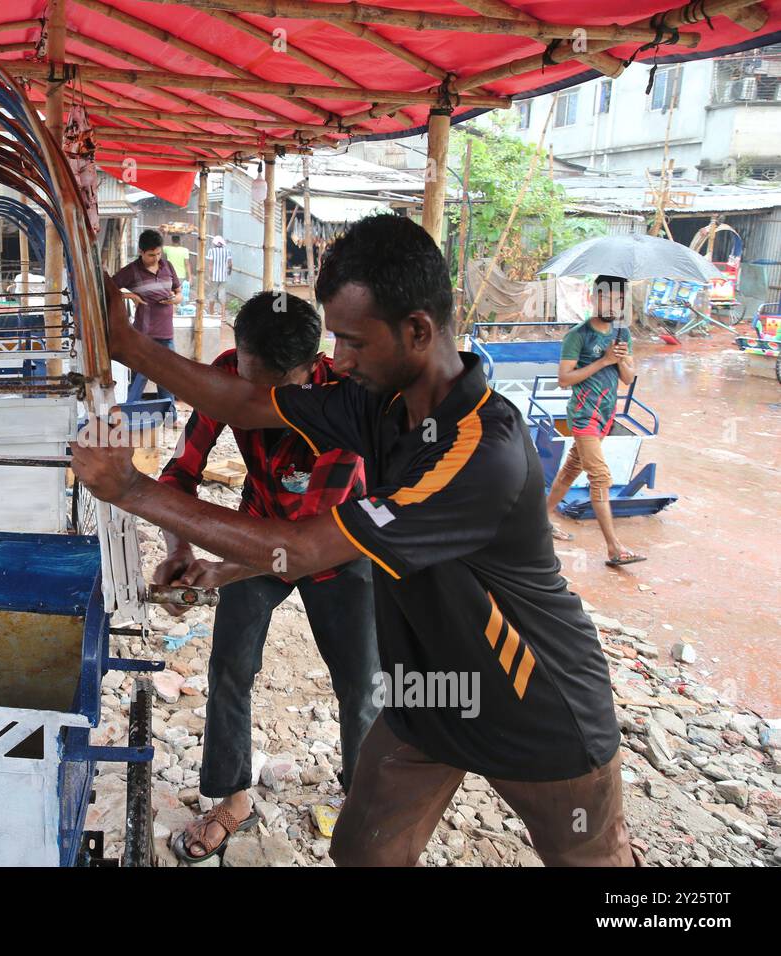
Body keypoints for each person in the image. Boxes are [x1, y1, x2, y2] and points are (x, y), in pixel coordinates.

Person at [74, 214, 632, 867]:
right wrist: (127, 344)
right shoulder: (385, 404)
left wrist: (132, 490)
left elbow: (306, 549)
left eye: (352, 342)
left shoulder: (481, 449)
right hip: (429, 697)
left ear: (418, 331)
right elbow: (246, 404)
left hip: (536, 708)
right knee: (364, 854)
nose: (338, 361)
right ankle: (232, 798)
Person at [158, 291, 378, 863]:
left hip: (337, 545)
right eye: (247, 382)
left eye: (269, 390)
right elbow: (179, 474)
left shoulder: (343, 407)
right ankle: (234, 800)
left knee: (361, 685)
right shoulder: (228, 375)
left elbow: (303, 546)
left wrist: (219, 572)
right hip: (257, 529)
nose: (252, 399)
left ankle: (363, 802)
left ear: (309, 368)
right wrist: (180, 550)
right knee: (230, 668)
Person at [545, 275, 643, 568]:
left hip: (605, 415)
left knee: (571, 468)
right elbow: (564, 379)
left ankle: (539, 521)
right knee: (600, 477)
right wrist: (603, 360)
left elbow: (627, 379)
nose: (612, 305)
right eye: (606, 298)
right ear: (593, 298)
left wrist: (621, 360)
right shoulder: (578, 336)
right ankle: (614, 549)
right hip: (583, 414)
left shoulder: (622, 336)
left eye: (617, 300)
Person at [113, 228, 182, 421]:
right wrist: (130, 295)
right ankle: (127, 415)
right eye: (151, 255)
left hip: (166, 333)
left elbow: (179, 291)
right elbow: (108, 287)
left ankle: (170, 415)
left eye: (158, 254)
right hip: (143, 334)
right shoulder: (132, 271)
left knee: (167, 375)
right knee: (140, 375)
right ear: (141, 252)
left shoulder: (167, 266)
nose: (156, 258)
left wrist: (175, 299)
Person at [205, 235, 232, 316]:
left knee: (212, 294)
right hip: (223, 276)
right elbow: (230, 264)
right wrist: (229, 271)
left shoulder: (211, 251)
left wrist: (209, 276)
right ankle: (223, 314)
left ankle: (211, 313)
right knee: (222, 294)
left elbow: (210, 265)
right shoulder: (227, 251)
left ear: (214, 243)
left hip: (214, 277)